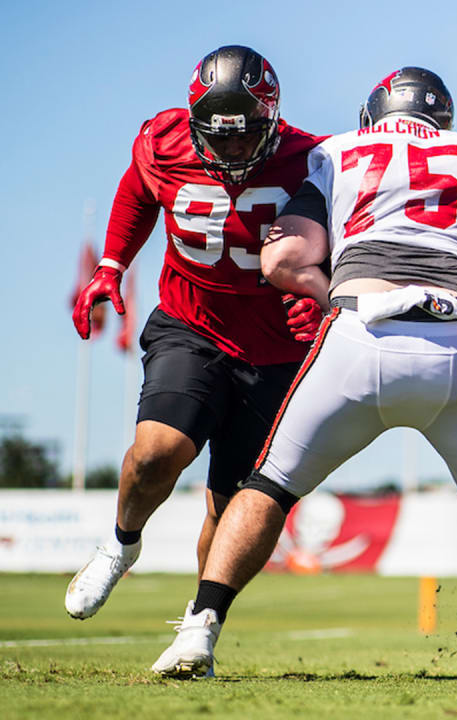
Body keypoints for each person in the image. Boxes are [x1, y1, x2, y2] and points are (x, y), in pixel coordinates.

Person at [149, 67, 457, 685]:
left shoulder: (334, 153)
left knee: (267, 487)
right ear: (440, 119)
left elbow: (283, 259)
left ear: (373, 116)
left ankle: (199, 630)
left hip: (359, 335)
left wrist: (332, 290)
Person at [65, 46, 325, 626]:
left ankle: (200, 622)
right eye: (220, 134)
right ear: (195, 120)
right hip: (193, 323)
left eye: (245, 135)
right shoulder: (165, 140)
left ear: (272, 119)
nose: (233, 147)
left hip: (280, 350)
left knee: (232, 506)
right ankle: (121, 543)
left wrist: (323, 296)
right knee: (159, 451)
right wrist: (111, 264)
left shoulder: (315, 159)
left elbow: (353, 232)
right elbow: (139, 190)